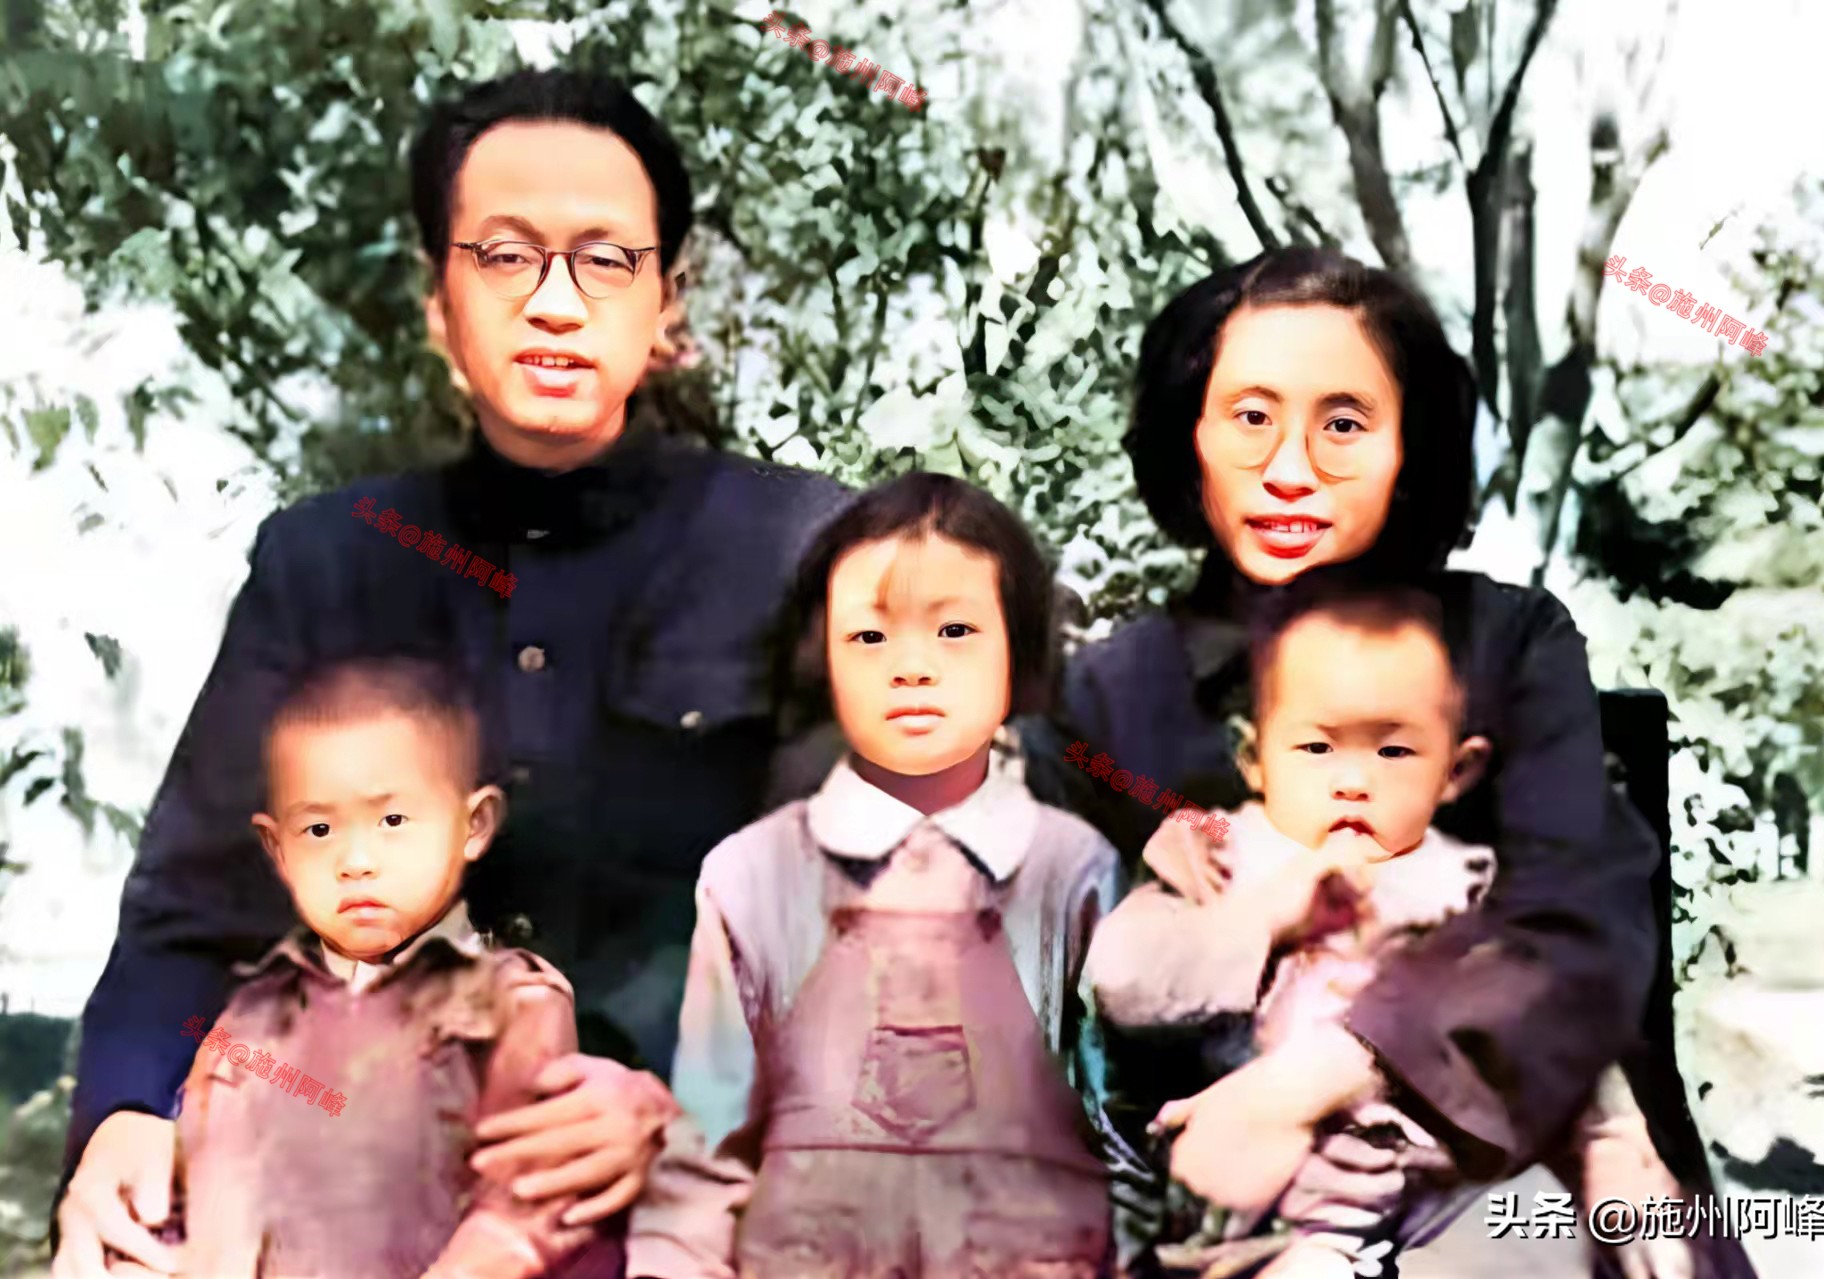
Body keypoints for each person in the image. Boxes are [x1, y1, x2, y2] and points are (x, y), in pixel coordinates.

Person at [55, 68, 847, 1278]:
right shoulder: (325, 564)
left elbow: (870, 924)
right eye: (504, 255)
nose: (554, 304)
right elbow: (192, 913)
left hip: (689, 1212)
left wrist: (677, 1097)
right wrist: (124, 1108)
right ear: (439, 305)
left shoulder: (801, 555)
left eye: (604, 260)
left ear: (665, 305)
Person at [1023, 247, 1693, 1244]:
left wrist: (1325, 1078)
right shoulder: (1103, 699)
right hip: (1203, 1194)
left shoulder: (1503, 646)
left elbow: (1574, 924)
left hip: (1507, 1143)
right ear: (1189, 434)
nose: (1288, 471)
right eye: (1249, 419)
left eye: (1342, 424)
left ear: (1407, 449)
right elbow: (1070, 1003)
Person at [1086, 577, 1696, 1279]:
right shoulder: (1224, 854)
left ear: (1455, 771)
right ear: (1255, 758)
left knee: (1539, 1239)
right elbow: (1125, 979)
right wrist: (1259, 915)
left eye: (1393, 751)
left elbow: (1555, 1017)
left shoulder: (1469, 879)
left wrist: (1607, 1141)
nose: (1352, 781)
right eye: (1316, 748)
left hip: (1443, 1181)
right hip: (1273, 1196)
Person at [625, 473, 1136, 1278]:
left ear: (1021, 652)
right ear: (818, 654)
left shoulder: (1072, 870)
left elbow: (1124, 1131)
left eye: (955, 631)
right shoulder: (751, 877)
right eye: (869, 636)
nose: (911, 667)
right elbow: (705, 1151)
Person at [176, 655, 669, 1278]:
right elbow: (205, 1195)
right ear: (278, 849)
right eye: (320, 828)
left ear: (474, 825)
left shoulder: (512, 1001)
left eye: (392, 821)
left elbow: (528, 1205)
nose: (356, 860)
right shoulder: (248, 1019)